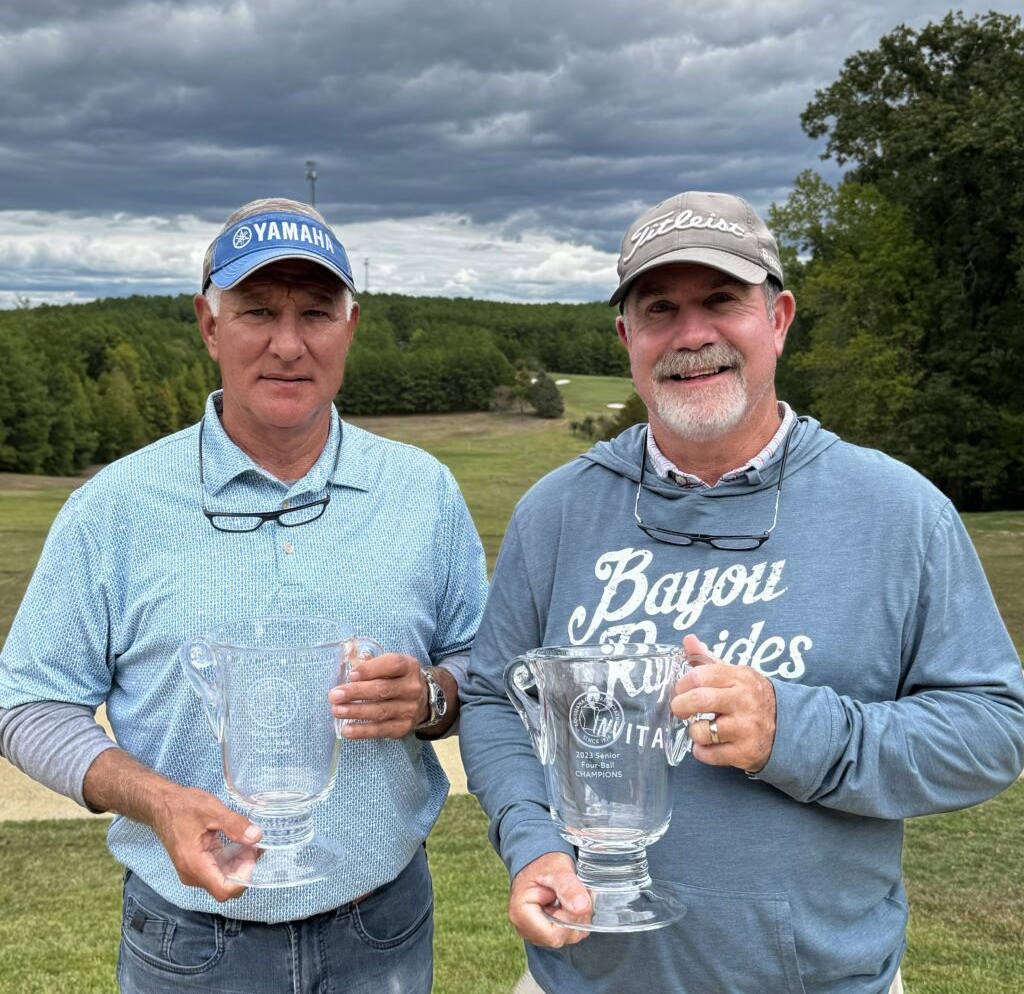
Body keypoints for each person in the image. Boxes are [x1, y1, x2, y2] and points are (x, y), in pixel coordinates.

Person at [460, 191, 1024, 994]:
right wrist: (532, 841)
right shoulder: (556, 513)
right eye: (661, 309)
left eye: (722, 301)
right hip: (586, 978)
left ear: (779, 318)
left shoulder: (898, 511)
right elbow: (491, 701)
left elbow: (993, 733)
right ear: (627, 338)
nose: (693, 336)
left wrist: (791, 730)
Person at [0, 197, 487, 993]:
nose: (288, 344)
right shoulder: (116, 507)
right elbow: (24, 704)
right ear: (208, 323)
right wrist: (157, 800)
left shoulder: (422, 493)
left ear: (350, 327)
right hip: (190, 942)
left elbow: (483, 664)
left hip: (382, 926)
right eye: (257, 310)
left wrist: (433, 696)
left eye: (316, 312)